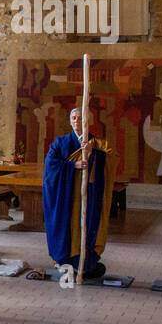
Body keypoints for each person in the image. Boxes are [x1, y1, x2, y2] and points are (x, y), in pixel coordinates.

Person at [42, 106, 112, 279]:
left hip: (89, 197)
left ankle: (85, 265)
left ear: (88, 121)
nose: (76, 122)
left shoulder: (98, 144)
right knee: (66, 230)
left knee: (86, 229)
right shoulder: (60, 144)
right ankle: (66, 264)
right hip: (66, 198)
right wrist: (72, 165)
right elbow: (50, 166)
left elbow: (110, 160)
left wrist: (93, 154)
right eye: (73, 118)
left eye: (80, 118)